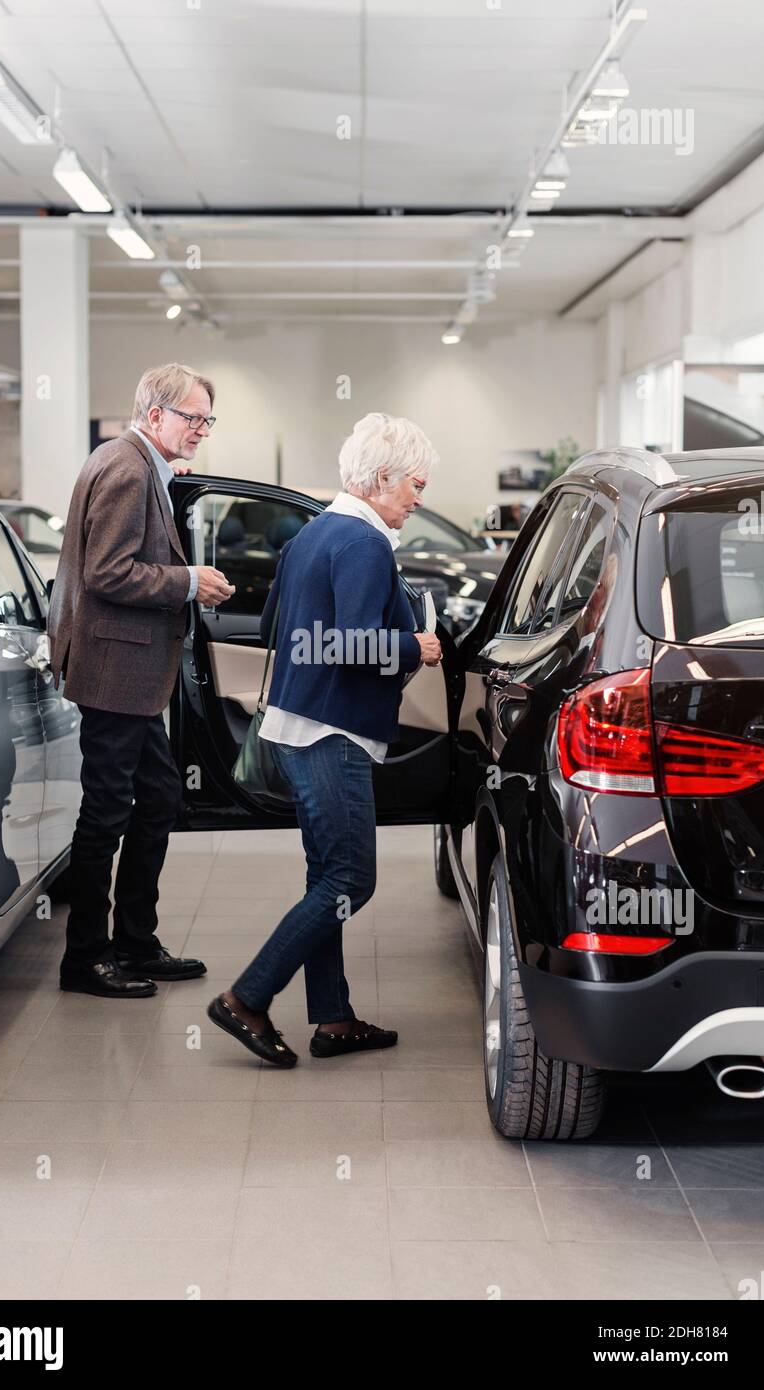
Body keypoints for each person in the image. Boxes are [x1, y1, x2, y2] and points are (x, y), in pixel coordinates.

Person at [208, 412, 442, 1064]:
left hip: (295, 726)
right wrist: (415, 645)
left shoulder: (311, 535)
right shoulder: (364, 544)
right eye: (414, 485)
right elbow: (352, 643)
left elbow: (271, 631)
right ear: (382, 478)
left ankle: (334, 1019)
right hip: (331, 735)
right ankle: (246, 1000)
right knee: (350, 880)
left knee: (327, 877)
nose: (418, 499)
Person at [48, 363, 234, 998]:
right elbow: (109, 572)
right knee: (106, 813)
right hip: (114, 672)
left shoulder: (134, 463)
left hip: (127, 675)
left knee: (158, 798)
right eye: (193, 418)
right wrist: (189, 581)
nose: (202, 429)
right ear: (155, 416)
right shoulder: (128, 470)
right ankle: (86, 960)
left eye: (207, 419)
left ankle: (134, 941)